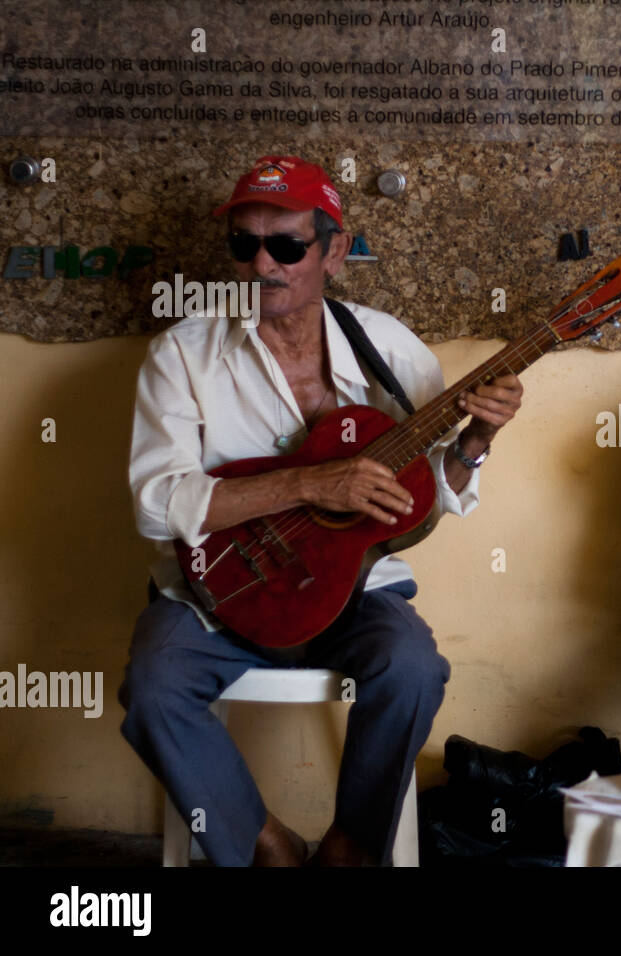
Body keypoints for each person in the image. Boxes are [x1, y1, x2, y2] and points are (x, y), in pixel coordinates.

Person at [120, 155, 523, 866]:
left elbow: (428, 493)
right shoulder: (180, 355)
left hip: (353, 592)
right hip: (219, 591)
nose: (261, 264)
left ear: (334, 252)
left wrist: (478, 439)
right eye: (244, 244)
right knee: (153, 688)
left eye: (286, 245)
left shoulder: (391, 350)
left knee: (413, 668)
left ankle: (351, 847)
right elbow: (157, 505)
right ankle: (265, 845)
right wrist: (310, 485)